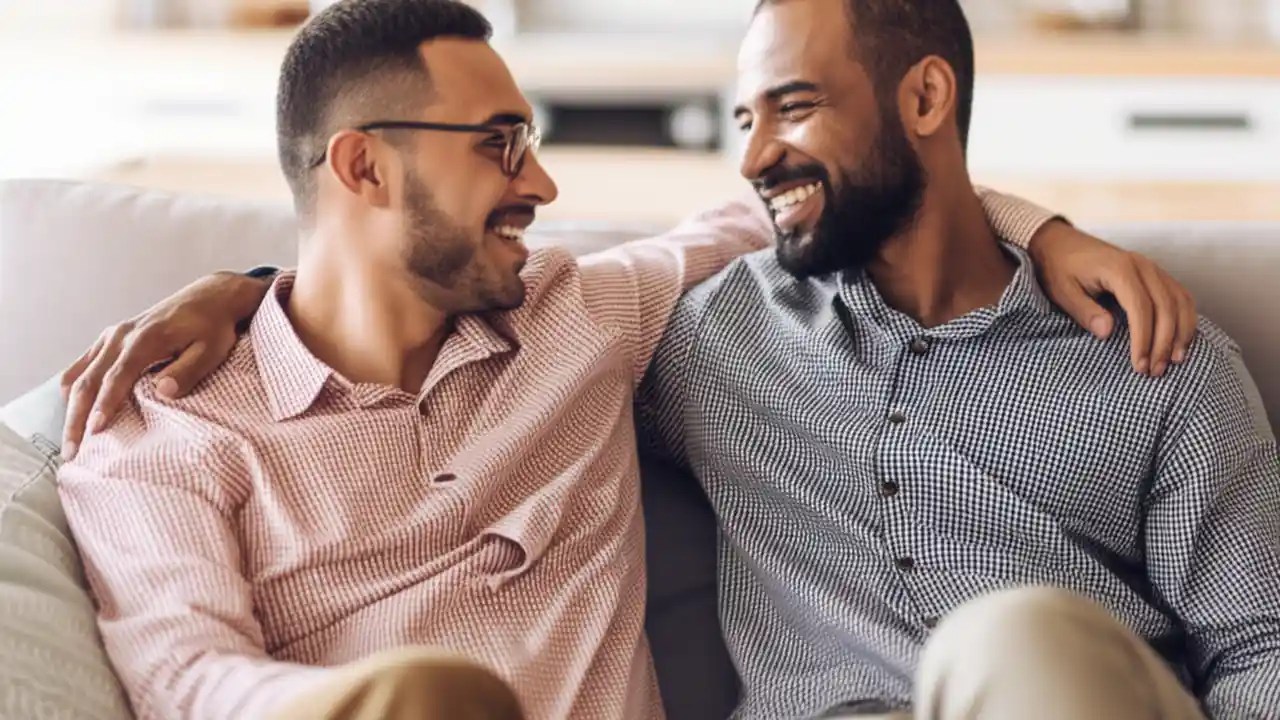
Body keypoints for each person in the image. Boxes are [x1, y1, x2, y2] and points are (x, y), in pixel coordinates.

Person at [55, 2, 1200, 720]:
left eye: (533, 143)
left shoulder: (581, 312)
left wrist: (1039, 230)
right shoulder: (165, 430)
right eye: (500, 145)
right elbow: (185, 675)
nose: (542, 186)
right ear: (360, 167)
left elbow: (816, 197)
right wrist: (384, 707)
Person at [635, 0, 1280, 718]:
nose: (755, 159)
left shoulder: (1155, 357)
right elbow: (536, 359)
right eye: (746, 123)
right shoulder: (714, 338)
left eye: (793, 107)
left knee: (1016, 636)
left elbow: (1260, 650)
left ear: (925, 97)